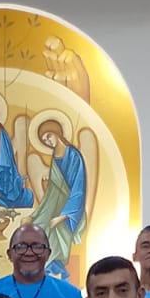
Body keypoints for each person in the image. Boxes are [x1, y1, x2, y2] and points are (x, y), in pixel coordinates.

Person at [31, 118, 89, 279]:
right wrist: (35, 215)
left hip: (72, 210)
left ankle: (56, 270)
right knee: (38, 226)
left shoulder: (74, 156)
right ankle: (48, 269)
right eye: (44, 140)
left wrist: (64, 216)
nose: (47, 141)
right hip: (54, 206)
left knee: (54, 228)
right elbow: (51, 192)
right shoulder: (55, 157)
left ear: (56, 133)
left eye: (48, 136)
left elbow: (79, 189)